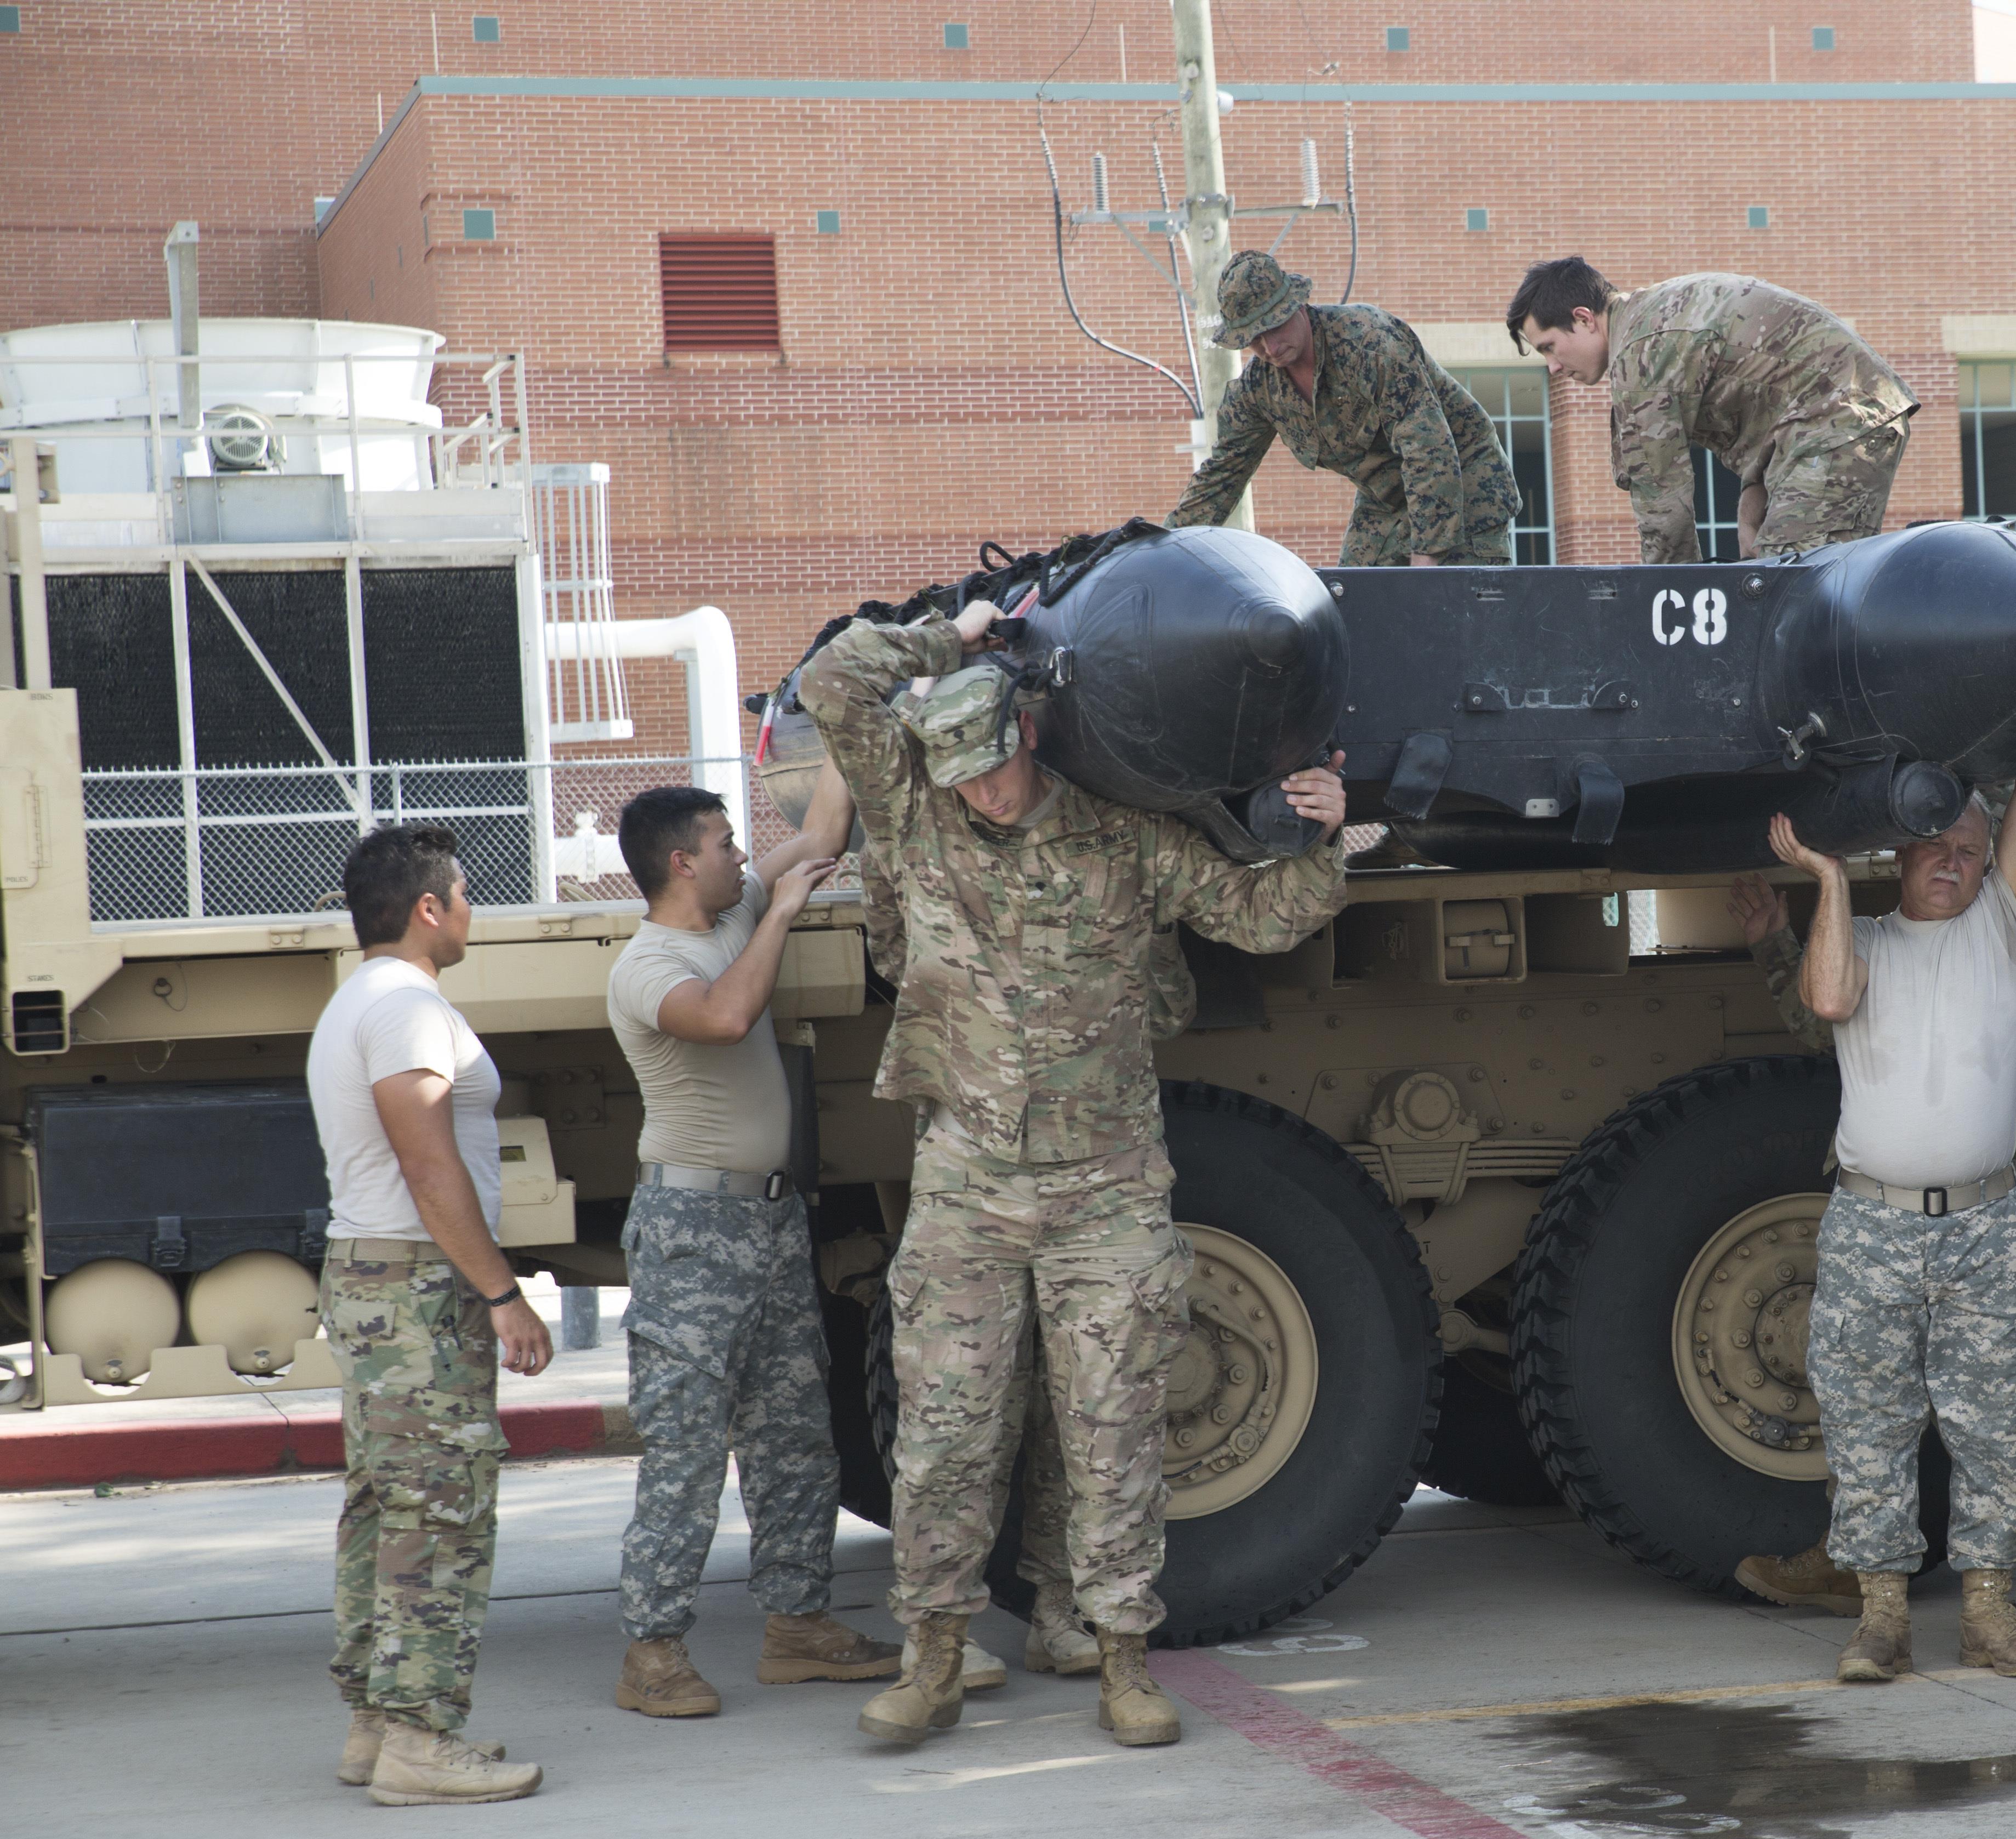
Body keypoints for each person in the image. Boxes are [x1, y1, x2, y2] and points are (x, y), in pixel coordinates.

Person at [798, 600, 1349, 1749]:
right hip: (966, 1187)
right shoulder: (917, 815)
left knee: (1116, 1431)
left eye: (994, 770)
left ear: (1030, 738)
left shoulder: (1123, 839)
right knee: (947, 1438)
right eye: (960, 777)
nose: (980, 794)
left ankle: (1121, 1658)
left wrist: (1328, 836)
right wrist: (953, 637)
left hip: (1105, 1191)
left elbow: (1260, 916)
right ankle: (933, 1659)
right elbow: (837, 682)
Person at [1725, 867, 2016, 1644]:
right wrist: (1779, 943)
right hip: (1962, 1192)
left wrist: (1784, 943)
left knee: (1986, 1406)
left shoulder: (1993, 936)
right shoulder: (1952, 933)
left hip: (1980, 1194)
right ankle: (1883, 1566)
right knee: (1888, 1394)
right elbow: (1829, 1020)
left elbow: (1827, 1022)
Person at [600, 772, 901, 1720]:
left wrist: (848, 738)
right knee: (686, 1452)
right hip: (692, 1233)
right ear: (683, 863)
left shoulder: (733, 910)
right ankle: (652, 1652)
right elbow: (725, 1017)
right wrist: (782, 918)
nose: (745, 856)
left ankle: (798, 1627)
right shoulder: (649, 965)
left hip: (769, 1224)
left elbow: (818, 837)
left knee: (796, 1441)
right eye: (728, 844)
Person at [1773, 766, 2016, 1685]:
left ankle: (1990, 1612)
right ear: (1900, 850)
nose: (1956, 861)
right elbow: (1825, 1000)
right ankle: (1880, 1620)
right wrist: (1825, 878)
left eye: (1972, 850)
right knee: (1869, 1428)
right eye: (1938, 843)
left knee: (1999, 1428)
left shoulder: (2005, 932)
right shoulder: (1857, 939)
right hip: (1874, 1224)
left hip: (1982, 1225)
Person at [307, 823, 552, 1805]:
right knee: (440, 1509)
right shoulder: (406, 1006)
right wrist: (501, 1293)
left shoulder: (359, 999)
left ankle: (376, 1723)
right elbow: (426, 1161)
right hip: (415, 1287)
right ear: (427, 909)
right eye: (463, 891)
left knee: (388, 1501)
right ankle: (420, 1740)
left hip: (378, 1277)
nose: (469, 909)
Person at [1505, 255, 1917, 566]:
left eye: (1549, 348)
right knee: (1771, 573)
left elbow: (1663, 508)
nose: (1554, 368)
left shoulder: (1641, 356)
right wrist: (1754, 495)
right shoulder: (1650, 321)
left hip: (1842, 422)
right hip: (1833, 421)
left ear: (1584, 319)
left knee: (1792, 587)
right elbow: (1770, 392)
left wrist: (1669, 612)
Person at [1169, 250, 1522, 566]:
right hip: (1385, 498)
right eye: (1254, 340)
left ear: (1297, 307)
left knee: (1454, 612)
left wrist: (1426, 560)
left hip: (1463, 479)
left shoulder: (1369, 343)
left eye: (1274, 326)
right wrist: (1161, 551)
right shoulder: (1257, 390)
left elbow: (1428, 450)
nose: (1270, 347)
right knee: (1353, 603)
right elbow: (1221, 475)